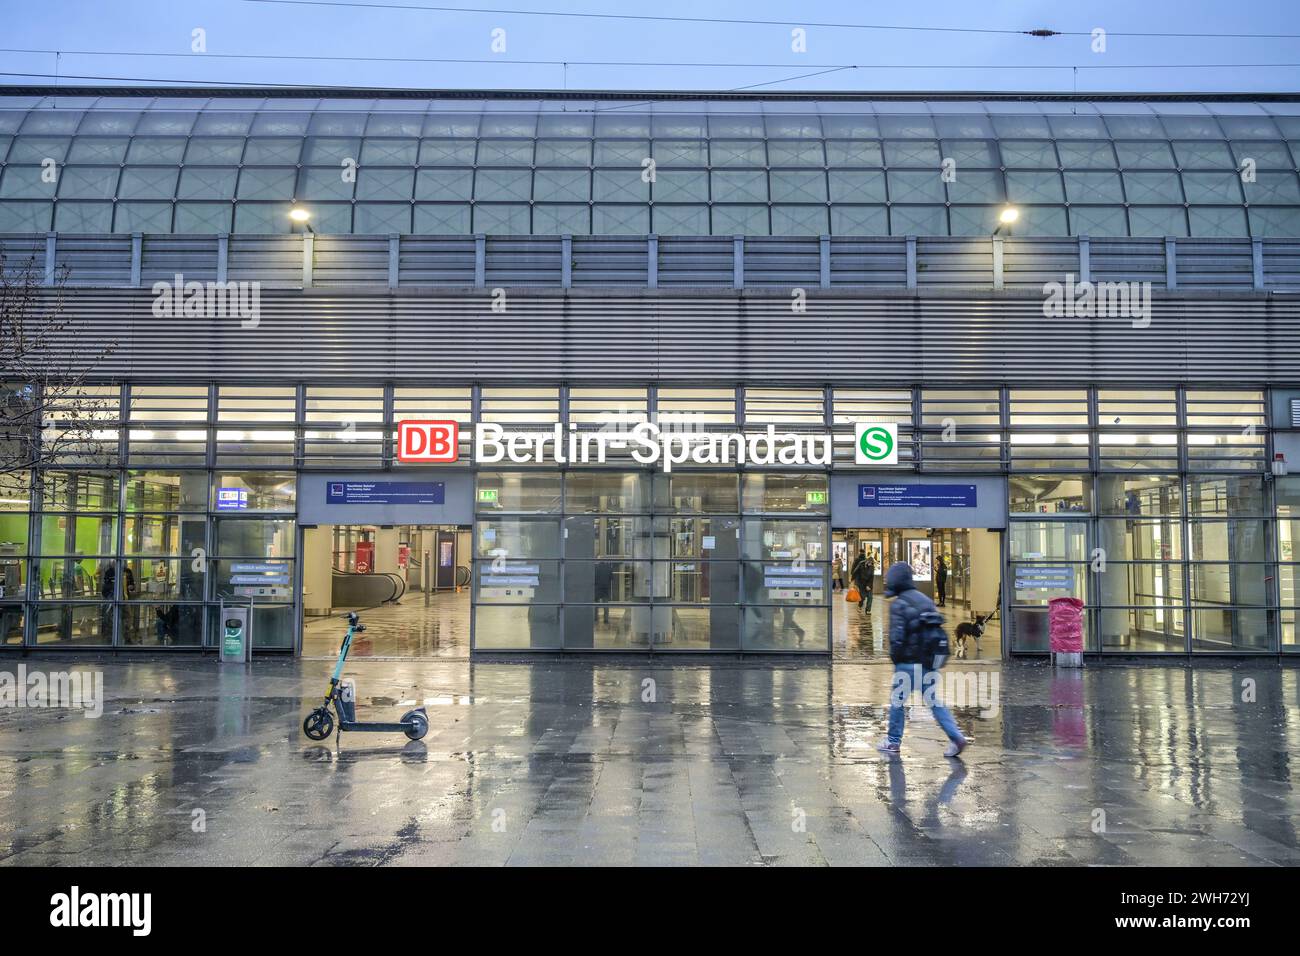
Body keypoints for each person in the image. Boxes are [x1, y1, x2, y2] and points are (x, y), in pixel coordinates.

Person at [877, 561, 970, 757]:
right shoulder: (926, 600)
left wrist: (896, 659)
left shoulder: (899, 604)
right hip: (928, 662)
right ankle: (956, 737)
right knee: (934, 701)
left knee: (897, 702)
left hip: (907, 664)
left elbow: (897, 637)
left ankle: (893, 741)